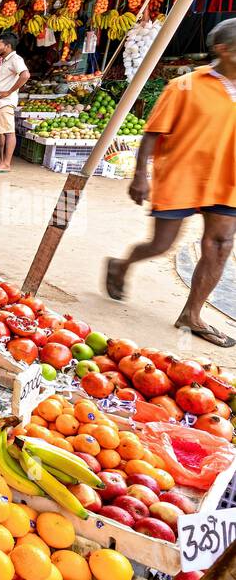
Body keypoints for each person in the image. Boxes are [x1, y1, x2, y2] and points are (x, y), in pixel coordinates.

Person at [105, 19, 236, 348]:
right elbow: (153, 132)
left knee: (220, 246)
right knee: (161, 244)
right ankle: (122, 264)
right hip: (182, 175)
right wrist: (140, 175)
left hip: (228, 180)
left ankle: (191, 314)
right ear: (224, 50)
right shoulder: (186, 86)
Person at [0, 33, 29, 172]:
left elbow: (25, 75)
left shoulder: (16, 59)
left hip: (5, 102)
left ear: (8, 46)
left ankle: (6, 164)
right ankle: (0, 159)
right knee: (1, 132)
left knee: (9, 132)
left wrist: (9, 91)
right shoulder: (5, 60)